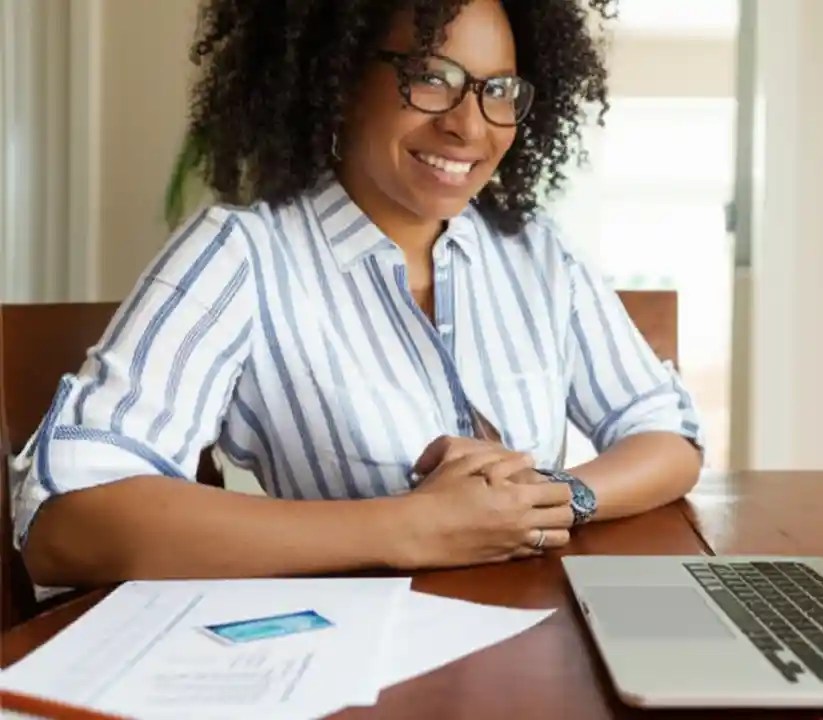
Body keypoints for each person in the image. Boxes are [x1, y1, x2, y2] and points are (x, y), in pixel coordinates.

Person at [12, 0, 703, 589]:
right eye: (431, 78)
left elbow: (666, 431)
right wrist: (406, 527)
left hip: (537, 643)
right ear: (337, 77)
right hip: (347, 664)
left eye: (499, 90)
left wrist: (558, 499)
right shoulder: (245, 253)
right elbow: (67, 518)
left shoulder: (534, 251)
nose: (470, 124)